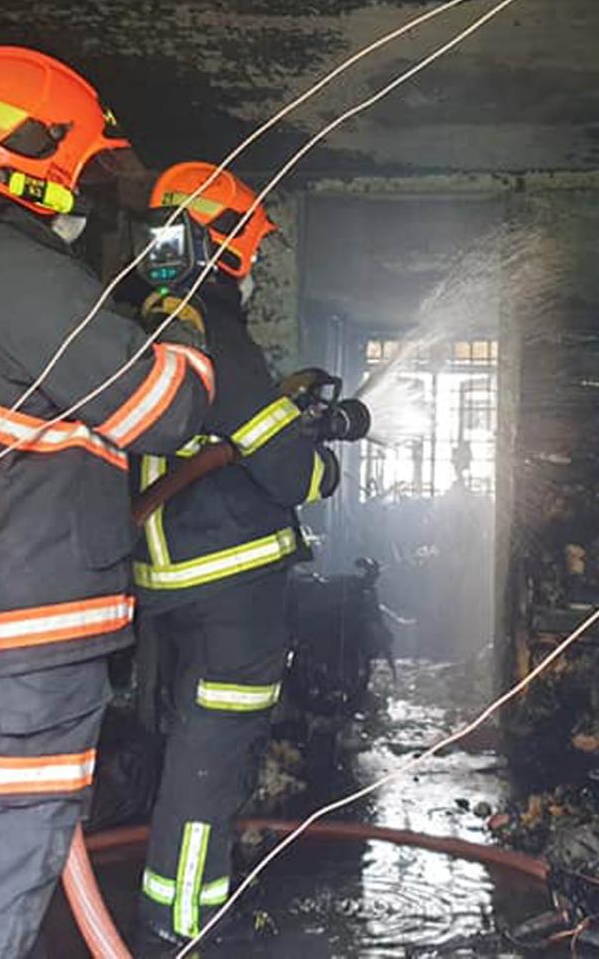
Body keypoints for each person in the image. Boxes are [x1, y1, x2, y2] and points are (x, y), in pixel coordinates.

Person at [0, 46, 215, 959]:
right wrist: (179, 317)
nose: (85, 190)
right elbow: (166, 411)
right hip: (33, 630)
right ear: (33, 159)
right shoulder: (22, 279)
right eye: (76, 167)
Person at [128, 162, 343, 946]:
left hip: (172, 579)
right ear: (228, 248)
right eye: (250, 252)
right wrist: (324, 459)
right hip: (231, 585)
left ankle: (174, 902)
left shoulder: (149, 315)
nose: (253, 270)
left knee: (190, 741)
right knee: (211, 757)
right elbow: (289, 470)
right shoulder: (215, 324)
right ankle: (182, 923)